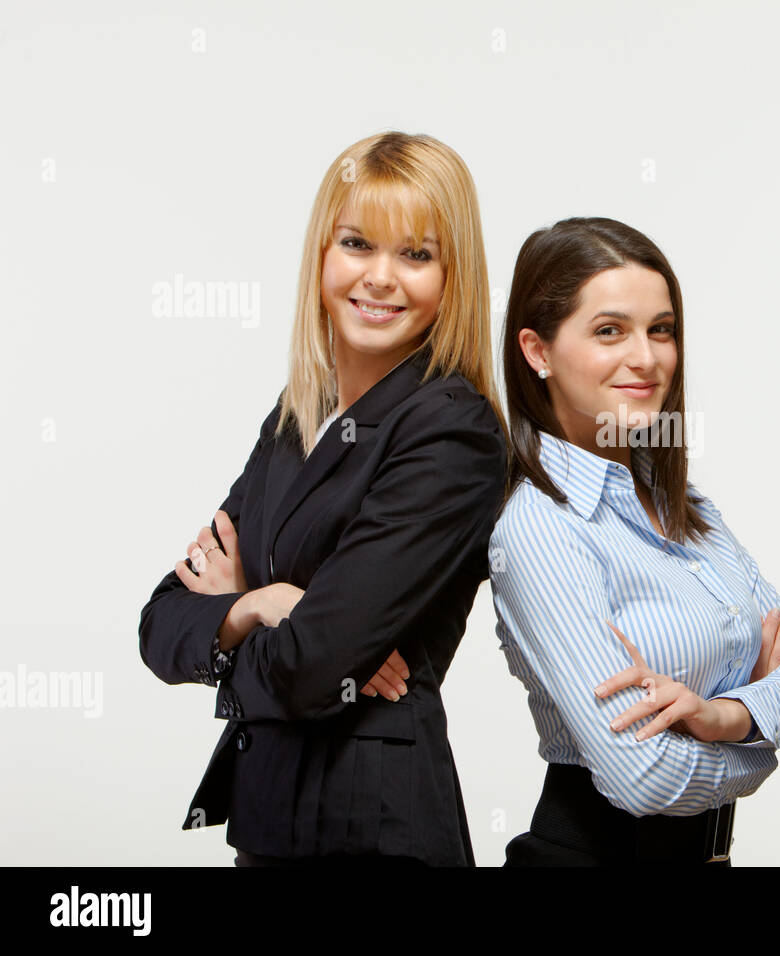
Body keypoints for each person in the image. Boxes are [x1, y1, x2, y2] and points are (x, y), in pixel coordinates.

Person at [138, 132, 506, 866]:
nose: (381, 278)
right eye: (357, 244)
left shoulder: (449, 429)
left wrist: (265, 621)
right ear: (321, 255)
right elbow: (159, 624)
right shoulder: (296, 418)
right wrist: (258, 604)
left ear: (453, 277)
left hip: (371, 835)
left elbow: (313, 667)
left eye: (417, 254)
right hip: (271, 825)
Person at [490, 217, 780, 865]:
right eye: (609, 331)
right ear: (537, 351)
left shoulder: (688, 509)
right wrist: (763, 742)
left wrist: (727, 716)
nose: (647, 357)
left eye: (661, 329)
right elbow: (644, 779)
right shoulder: (540, 526)